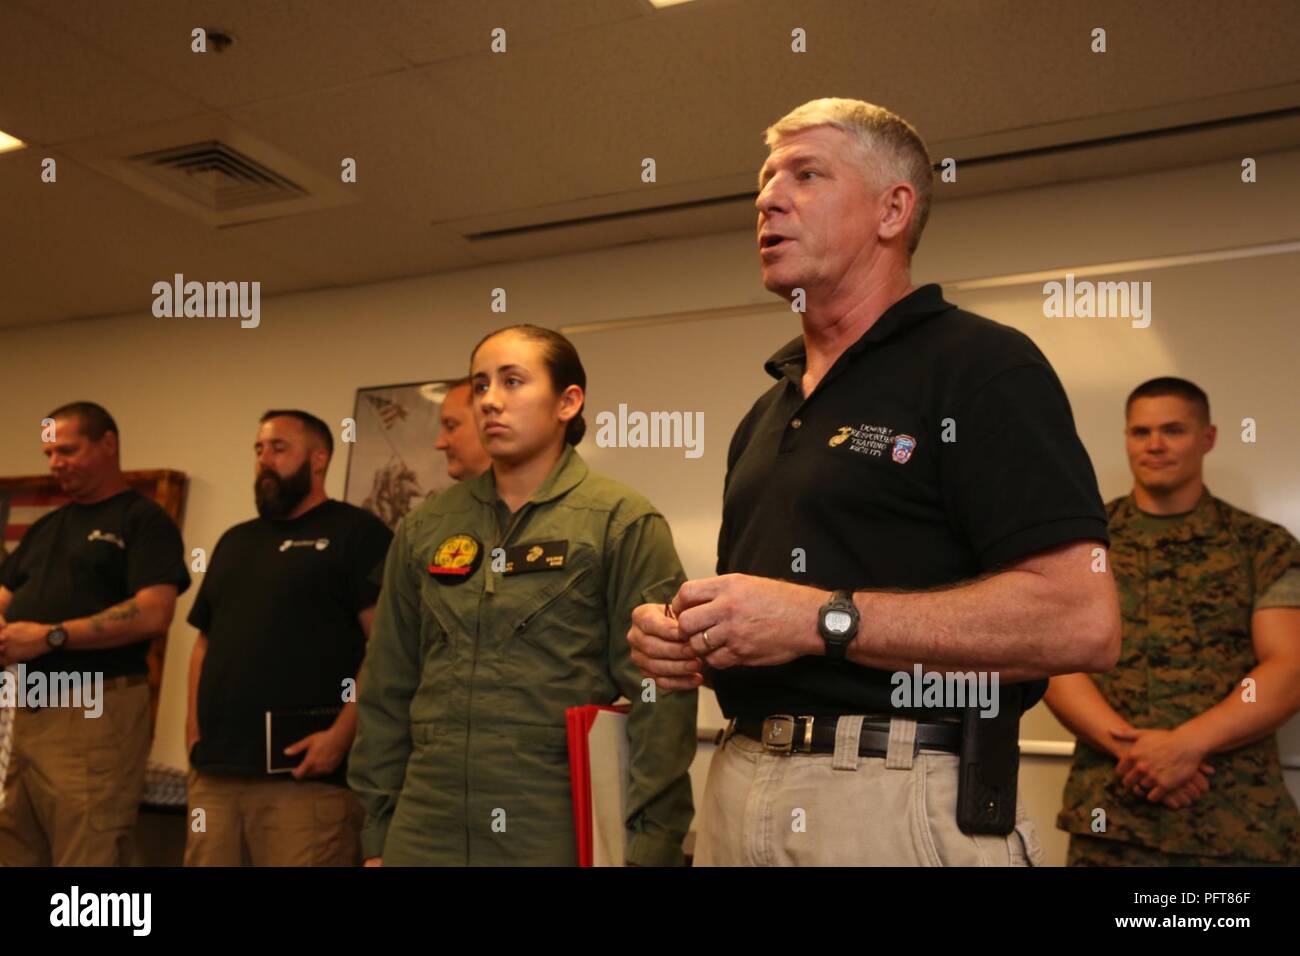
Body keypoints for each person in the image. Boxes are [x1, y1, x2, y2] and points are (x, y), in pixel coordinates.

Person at [628, 97, 1120, 867]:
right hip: (735, 782)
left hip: (896, 796)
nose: (767, 197)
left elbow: (1081, 622)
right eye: (763, 180)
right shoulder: (766, 411)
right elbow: (777, 614)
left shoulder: (984, 366)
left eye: (806, 173)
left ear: (894, 209)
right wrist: (696, 641)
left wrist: (822, 620)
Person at [350, 325, 697, 866]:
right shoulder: (427, 526)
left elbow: (660, 696)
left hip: (553, 825)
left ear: (568, 401)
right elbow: (388, 683)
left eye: (512, 382)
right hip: (424, 826)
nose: (491, 400)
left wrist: (650, 846)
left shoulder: (621, 522)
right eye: (481, 384)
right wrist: (378, 834)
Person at [1048, 377, 1300, 865]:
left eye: (1173, 430)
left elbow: (1288, 669)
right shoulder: (1083, 546)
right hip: (1111, 822)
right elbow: (1058, 663)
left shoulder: (1262, 545)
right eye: (1140, 432)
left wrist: (1185, 746)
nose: (1155, 445)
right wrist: (1140, 755)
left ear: (1207, 438)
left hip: (1237, 824)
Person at [184, 410, 392, 866]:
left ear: (319, 459)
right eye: (259, 449)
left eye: (279, 448)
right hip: (216, 776)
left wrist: (340, 736)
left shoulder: (359, 534)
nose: (264, 460)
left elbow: (386, 649)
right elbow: (204, 643)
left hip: (305, 781)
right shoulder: (234, 541)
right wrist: (193, 734)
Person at [0, 401, 189, 866]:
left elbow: (153, 612)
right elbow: (5, 596)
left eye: (67, 450)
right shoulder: (46, 527)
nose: (55, 463)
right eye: (48, 454)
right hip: (29, 708)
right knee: (16, 845)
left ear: (108, 444)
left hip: (94, 708)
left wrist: (50, 637)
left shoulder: (142, 521)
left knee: (89, 850)